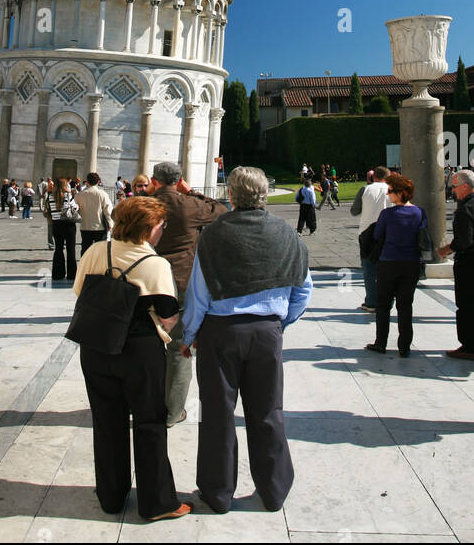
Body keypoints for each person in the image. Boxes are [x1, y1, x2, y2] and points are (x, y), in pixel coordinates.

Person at [181, 166, 313, 514]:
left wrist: (188, 334)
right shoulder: (286, 233)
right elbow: (304, 287)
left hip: (220, 333)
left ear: (232, 195)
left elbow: (199, 292)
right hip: (266, 332)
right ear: (265, 193)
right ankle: (273, 491)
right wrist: (281, 321)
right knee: (268, 411)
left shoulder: (213, 235)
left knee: (217, 414)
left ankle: (217, 492)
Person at [73, 196, 191, 522]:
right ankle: (157, 503)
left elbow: (79, 290)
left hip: (96, 345)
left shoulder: (97, 250)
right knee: (150, 422)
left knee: (107, 422)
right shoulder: (155, 264)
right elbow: (168, 317)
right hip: (139, 351)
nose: (162, 230)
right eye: (160, 225)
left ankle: (111, 496)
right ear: (149, 228)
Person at [150, 160, 228, 427]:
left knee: (142, 347)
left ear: (154, 180)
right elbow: (221, 209)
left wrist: (147, 192)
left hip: (146, 283)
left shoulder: (144, 203)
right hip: (179, 283)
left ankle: (143, 405)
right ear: (179, 180)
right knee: (178, 350)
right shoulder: (189, 205)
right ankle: (172, 413)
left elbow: (118, 216)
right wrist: (190, 190)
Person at [437, 169, 474, 361]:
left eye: (454, 187)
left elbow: (464, 241)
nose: (453, 191)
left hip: (470, 260)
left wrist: (447, 249)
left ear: (464, 186)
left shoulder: (466, 209)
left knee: (466, 303)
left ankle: (469, 346)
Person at [366, 172, 426, 357]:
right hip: (411, 263)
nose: (387, 194)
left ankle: (381, 342)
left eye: (390, 191)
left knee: (383, 305)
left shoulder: (387, 214)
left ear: (400, 193)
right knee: (405, 306)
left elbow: (377, 236)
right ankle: (404, 346)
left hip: (388, 262)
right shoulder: (419, 212)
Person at [352, 167, 389, 311]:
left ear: (373, 177)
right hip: (388, 230)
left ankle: (371, 301)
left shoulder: (364, 189)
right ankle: (387, 300)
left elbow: (355, 211)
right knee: (388, 267)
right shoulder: (393, 188)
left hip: (368, 230)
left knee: (369, 267)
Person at [47, 177, 80, 282]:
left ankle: (57, 274)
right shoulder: (68, 195)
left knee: (58, 249)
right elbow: (74, 208)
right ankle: (72, 274)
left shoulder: (50, 196)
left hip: (56, 224)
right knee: (71, 250)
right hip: (68, 224)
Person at [74, 171, 113, 253]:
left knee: (85, 249)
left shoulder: (79, 195)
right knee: (100, 250)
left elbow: (74, 209)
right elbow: (108, 210)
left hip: (85, 226)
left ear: (87, 181)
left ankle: (84, 265)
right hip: (99, 226)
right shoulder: (102, 194)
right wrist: (110, 223)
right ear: (98, 182)